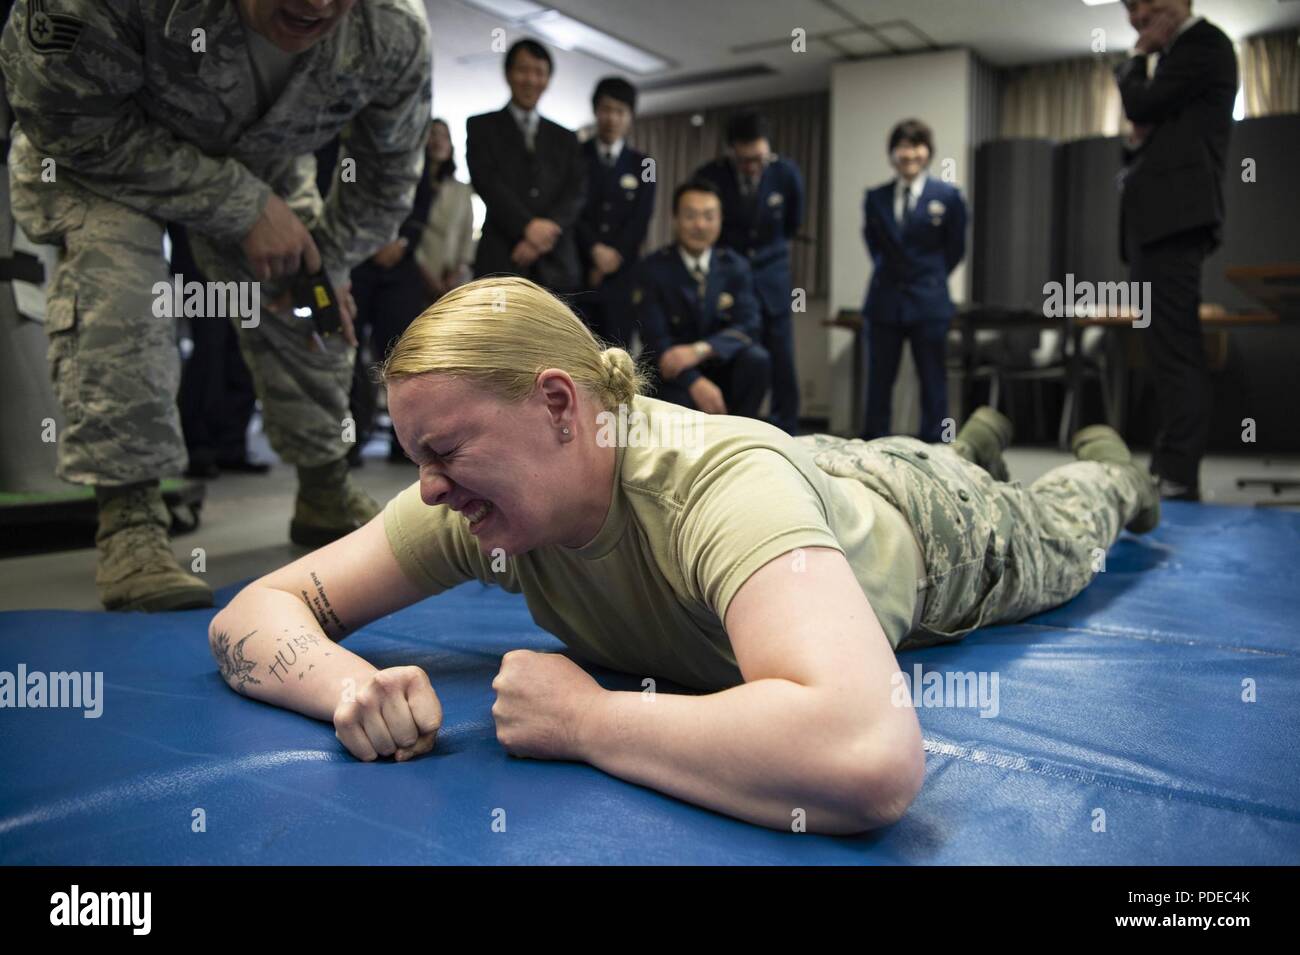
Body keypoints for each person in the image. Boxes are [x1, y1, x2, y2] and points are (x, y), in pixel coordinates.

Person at [209, 276, 1160, 834]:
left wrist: (589, 720)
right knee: (896, 454)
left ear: (558, 404)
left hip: (938, 530)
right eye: (417, 458)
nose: (427, 488)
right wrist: (343, 686)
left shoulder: (713, 487)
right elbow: (250, 612)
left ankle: (1109, 466)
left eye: (445, 453)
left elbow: (871, 755)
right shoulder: (477, 499)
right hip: (821, 472)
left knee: (1065, 526)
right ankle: (973, 435)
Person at [0, 0, 431, 611]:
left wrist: (323, 262)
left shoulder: (392, 27)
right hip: (102, 153)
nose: (315, 6)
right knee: (121, 294)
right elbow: (64, 122)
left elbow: (386, 182)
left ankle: (324, 490)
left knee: (309, 305)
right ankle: (131, 522)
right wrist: (242, 206)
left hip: (262, 157)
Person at [1116, 0, 1237, 502]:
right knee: (1163, 350)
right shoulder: (1172, 62)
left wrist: (1134, 57)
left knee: (1177, 348)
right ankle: (1169, 465)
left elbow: (1139, 107)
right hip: (1153, 228)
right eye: (1131, 9)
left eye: (1148, 4)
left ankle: (1180, 472)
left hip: (1176, 222)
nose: (1140, 14)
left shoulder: (1203, 43)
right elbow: (1139, 137)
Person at [694, 112, 804, 434]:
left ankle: (788, 432)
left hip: (773, 282)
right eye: (744, 160)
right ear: (731, 151)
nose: (752, 166)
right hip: (729, 283)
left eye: (759, 158)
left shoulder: (786, 173)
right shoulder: (711, 176)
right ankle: (736, 431)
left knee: (782, 361)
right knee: (738, 356)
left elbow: (792, 224)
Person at [860, 119, 967, 443]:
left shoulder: (948, 196)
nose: (909, 153)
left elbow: (955, 250)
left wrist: (928, 279)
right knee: (879, 380)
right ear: (893, 154)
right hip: (884, 301)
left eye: (916, 145)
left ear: (928, 152)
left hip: (929, 301)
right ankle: (873, 445)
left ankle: (936, 446)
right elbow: (875, 246)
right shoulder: (875, 197)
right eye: (903, 146)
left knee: (934, 379)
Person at [635, 179, 769, 419]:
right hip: (672, 373)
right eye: (690, 216)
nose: (700, 225)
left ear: (720, 220)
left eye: (709, 216)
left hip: (720, 363)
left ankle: (742, 440)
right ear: (674, 219)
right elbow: (654, 340)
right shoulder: (652, 269)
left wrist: (700, 351)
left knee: (757, 360)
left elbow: (749, 325)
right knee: (676, 399)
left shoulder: (736, 267)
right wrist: (694, 381)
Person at [465, 39, 585, 292]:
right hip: (501, 256)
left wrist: (543, 235)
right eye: (523, 70)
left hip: (557, 262)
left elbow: (576, 191)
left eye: (539, 72)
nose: (530, 79)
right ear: (508, 74)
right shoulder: (481, 127)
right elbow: (487, 182)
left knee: (557, 331)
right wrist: (526, 227)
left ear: (548, 79)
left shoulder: (566, 137)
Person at [574, 76, 655, 348]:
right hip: (578, 273)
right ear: (596, 111)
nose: (612, 118)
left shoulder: (645, 164)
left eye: (620, 111)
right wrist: (593, 250)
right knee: (576, 353)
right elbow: (570, 211)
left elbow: (641, 219)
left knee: (617, 358)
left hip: (623, 279)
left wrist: (613, 256)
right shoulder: (574, 156)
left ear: (630, 116)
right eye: (606, 109)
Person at [413, 118, 474, 303]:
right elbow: (410, 232)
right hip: (417, 275)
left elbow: (467, 231)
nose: (438, 141)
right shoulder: (412, 186)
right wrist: (427, 275)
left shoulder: (462, 190)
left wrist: (460, 269)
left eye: (445, 136)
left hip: (454, 279)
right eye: (433, 134)